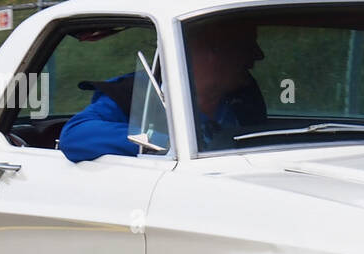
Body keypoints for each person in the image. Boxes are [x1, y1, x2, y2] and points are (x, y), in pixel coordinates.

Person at [59, 24, 264, 162]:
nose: (258, 55)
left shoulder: (244, 102)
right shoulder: (135, 94)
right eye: (246, 45)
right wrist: (162, 143)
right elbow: (76, 135)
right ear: (210, 53)